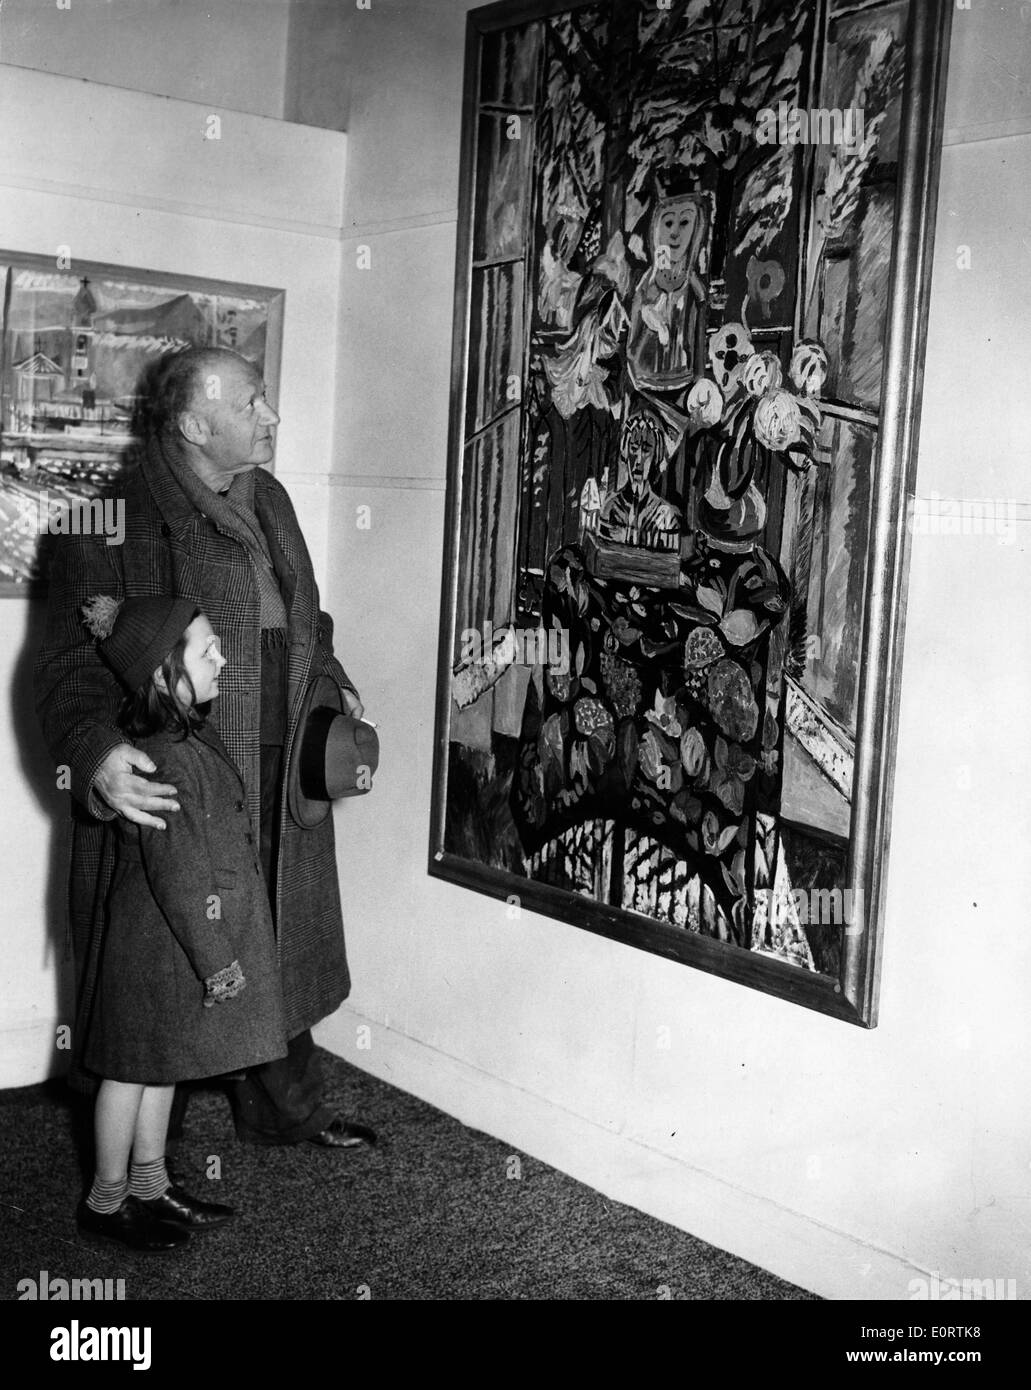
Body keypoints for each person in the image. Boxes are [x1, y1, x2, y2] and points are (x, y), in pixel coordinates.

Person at [35, 346, 375, 1151]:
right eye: (250, 403)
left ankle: (283, 1107)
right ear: (192, 426)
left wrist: (331, 674)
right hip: (182, 776)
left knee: (272, 927)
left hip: (278, 764)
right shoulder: (107, 524)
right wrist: (97, 756)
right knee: (172, 954)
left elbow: (305, 618)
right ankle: (148, 1166)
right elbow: (68, 672)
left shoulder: (270, 499)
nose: (271, 416)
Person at [77, 595, 288, 1250]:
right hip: (157, 945)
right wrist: (217, 961)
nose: (222, 657)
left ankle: (149, 1184)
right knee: (128, 1072)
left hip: (168, 941)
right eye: (208, 650)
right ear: (164, 673)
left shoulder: (186, 735)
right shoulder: (161, 758)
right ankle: (105, 1201)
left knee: (162, 1064)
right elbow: (178, 876)